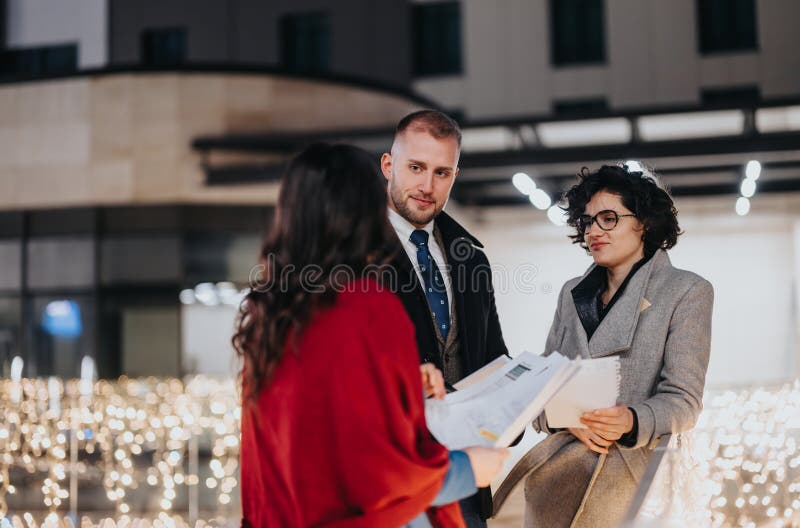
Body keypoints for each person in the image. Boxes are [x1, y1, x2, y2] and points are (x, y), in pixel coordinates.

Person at [234, 143, 508, 527]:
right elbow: (378, 475)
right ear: (365, 213)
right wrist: (466, 469)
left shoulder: (269, 313)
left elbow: (316, 415)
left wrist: (403, 386)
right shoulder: (366, 306)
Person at [522, 165, 714, 528]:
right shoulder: (570, 293)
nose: (593, 230)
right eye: (587, 221)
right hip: (557, 477)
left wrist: (630, 419)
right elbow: (542, 384)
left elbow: (684, 400)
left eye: (608, 218)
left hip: (632, 484)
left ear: (643, 222)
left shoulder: (687, 291)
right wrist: (561, 418)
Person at [380, 110, 509, 527]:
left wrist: (514, 409)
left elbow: (492, 358)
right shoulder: (350, 258)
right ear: (388, 165)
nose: (427, 186)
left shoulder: (471, 257)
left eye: (442, 172)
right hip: (391, 480)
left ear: (455, 175)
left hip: (465, 480)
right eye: (415, 167)